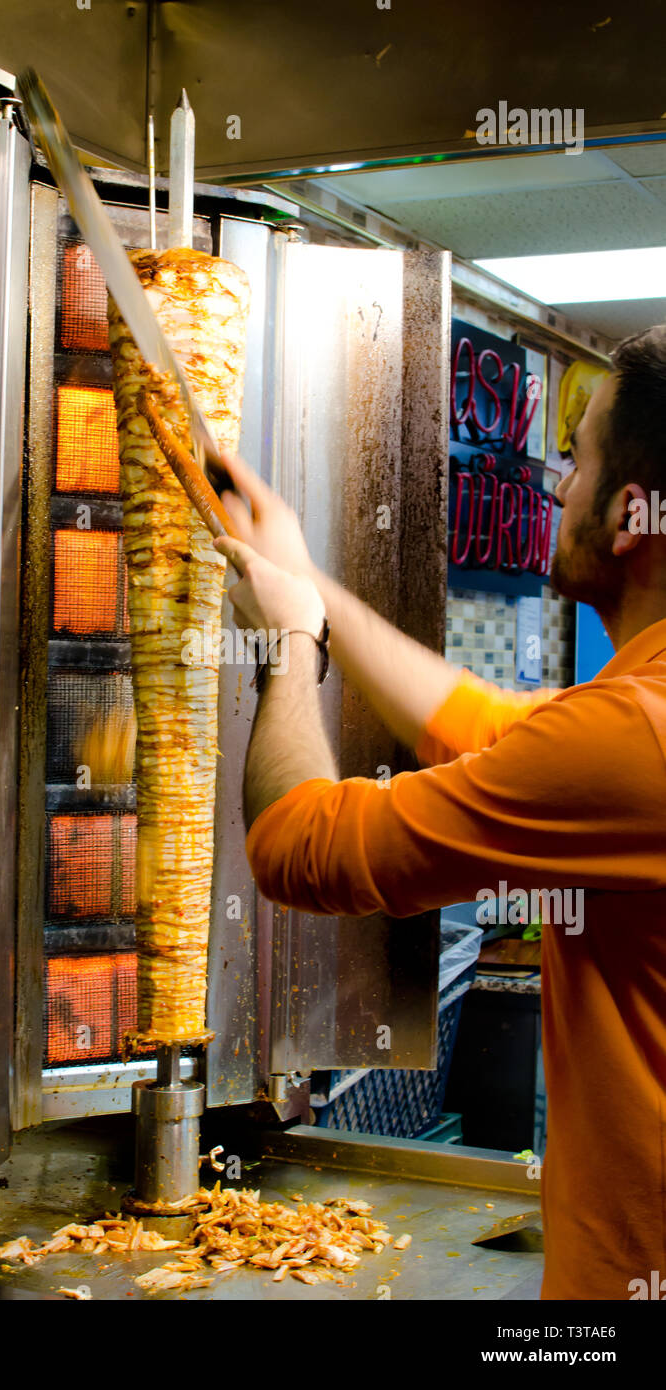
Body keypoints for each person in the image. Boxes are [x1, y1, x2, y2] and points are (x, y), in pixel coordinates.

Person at [212, 324, 666, 1302]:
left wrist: (290, 647)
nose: (554, 488)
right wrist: (306, 579)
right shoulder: (636, 717)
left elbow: (299, 846)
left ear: (632, 516)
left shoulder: (636, 738)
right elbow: (483, 724)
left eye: (575, 461)